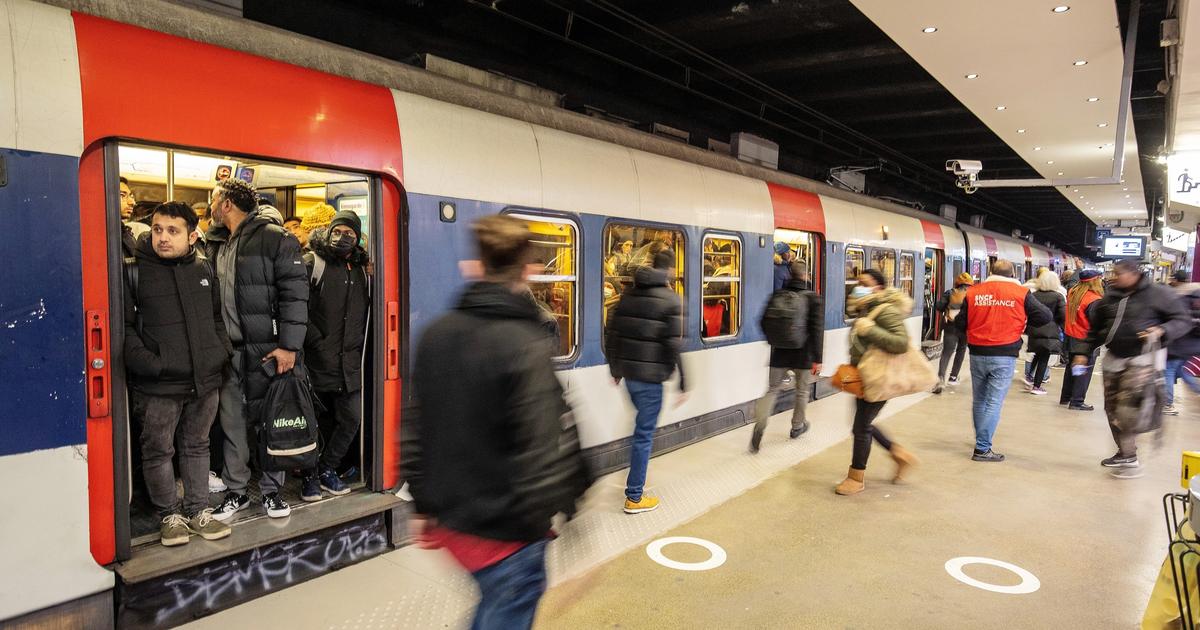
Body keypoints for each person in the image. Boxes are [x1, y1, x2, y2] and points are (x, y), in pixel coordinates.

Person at [402, 215, 589, 630]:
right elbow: (543, 443)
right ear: (528, 272)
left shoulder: (436, 333)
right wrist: (555, 516)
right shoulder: (526, 342)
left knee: (492, 606)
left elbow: (416, 427)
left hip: (451, 519)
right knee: (506, 606)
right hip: (507, 529)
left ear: (477, 265)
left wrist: (422, 502)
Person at [123, 201, 232, 546]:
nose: (163, 238)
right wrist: (152, 364)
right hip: (159, 383)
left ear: (191, 234)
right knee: (158, 449)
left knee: (197, 445)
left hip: (205, 378)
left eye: (173, 231)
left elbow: (216, 318)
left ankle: (198, 510)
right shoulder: (133, 270)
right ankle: (170, 515)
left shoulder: (203, 269)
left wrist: (220, 352)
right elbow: (124, 329)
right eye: (157, 229)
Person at [204, 179, 309, 522]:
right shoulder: (215, 243)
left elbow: (295, 295)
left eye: (213, 200)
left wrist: (289, 346)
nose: (210, 208)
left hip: (268, 351)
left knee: (271, 422)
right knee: (232, 423)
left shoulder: (276, 238)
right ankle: (237, 491)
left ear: (228, 204)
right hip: (227, 350)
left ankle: (271, 491)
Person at [1073, 259, 1191, 477]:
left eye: (1119, 273)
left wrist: (1162, 330)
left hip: (1142, 359)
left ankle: (1129, 456)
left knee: (1127, 409)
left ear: (1135, 274)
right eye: (1114, 273)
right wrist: (1082, 352)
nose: (1114, 277)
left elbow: (1183, 320)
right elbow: (1095, 329)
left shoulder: (1159, 294)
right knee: (1111, 409)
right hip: (1113, 358)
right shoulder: (1110, 297)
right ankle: (1125, 452)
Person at [606, 249, 688, 514]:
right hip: (651, 380)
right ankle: (634, 496)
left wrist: (616, 369)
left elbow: (613, 333)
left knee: (640, 430)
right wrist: (683, 382)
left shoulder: (628, 295)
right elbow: (673, 346)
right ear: (670, 271)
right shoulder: (671, 300)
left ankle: (634, 484)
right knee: (643, 436)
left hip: (629, 377)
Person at [299, 211, 370, 501]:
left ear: (358, 239)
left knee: (351, 419)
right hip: (317, 360)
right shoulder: (313, 263)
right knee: (311, 424)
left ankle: (326, 468)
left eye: (350, 234)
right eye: (338, 230)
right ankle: (309, 477)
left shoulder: (362, 270)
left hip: (349, 363)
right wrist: (316, 340)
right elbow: (294, 305)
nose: (342, 237)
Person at [954, 259, 1052, 462]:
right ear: (1013, 273)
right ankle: (982, 448)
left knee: (980, 399)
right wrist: (1022, 321)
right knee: (994, 402)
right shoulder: (1021, 293)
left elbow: (960, 322)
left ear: (990, 271)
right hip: (1004, 353)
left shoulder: (973, 292)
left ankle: (981, 440)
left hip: (977, 353)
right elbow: (1045, 316)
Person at [834, 269, 919, 495]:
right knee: (863, 424)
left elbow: (900, 342)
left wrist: (869, 330)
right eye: (857, 282)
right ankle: (900, 455)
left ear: (879, 287)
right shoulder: (866, 308)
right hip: (867, 375)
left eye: (864, 283)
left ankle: (856, 477)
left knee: (861, 426)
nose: (857, 287)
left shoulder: (886, 310)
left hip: (880, 377)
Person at [750, 260, 824, 453]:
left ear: (790, 275)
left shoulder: (777, 295)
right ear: (806, 275)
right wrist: (818, 358)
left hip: (780, 353)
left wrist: (773, 341)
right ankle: (797, 426)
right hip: (804, 354)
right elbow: (817, 331)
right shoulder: (813, 298)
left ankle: (760, 426)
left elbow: (762, 321)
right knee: (802, 391)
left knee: (772, 390)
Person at [1060, 270, 1105, 410]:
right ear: (1095, 281)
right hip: (1084, 339)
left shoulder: (1073, 293)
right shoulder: (1093, 299)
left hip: (1071, 336)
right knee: (1082, 371)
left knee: (1071, 368)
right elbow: (1096, 323)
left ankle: (1066, 397)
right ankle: (1077, 401)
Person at [1025, 271, 1066, 395]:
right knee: (1044, 357)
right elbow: (1063, 315)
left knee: (1037, 355)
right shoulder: (1058, 296)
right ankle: (1037, 386)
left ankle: (1029, 377)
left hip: (1034, 329)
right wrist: (1058, 325)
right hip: (1050, 331)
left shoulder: (1034, 295)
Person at [1165, 270, 1200, 415]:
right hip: (1193, 345)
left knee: (1168, 370)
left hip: (1179, 343)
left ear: (1177, 281)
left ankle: (1167, 404)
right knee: (1183, 371)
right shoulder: (1195, 297)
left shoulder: (1181, 298)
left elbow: (1177, 323)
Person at [932, 272, 973, 393]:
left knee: (946, 353)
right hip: (965, 328)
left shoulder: (950, 293)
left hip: (951, 326)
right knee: (961, 350)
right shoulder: (972, 294)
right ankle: (953, 377)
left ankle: (940, 379)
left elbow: (939, 306)